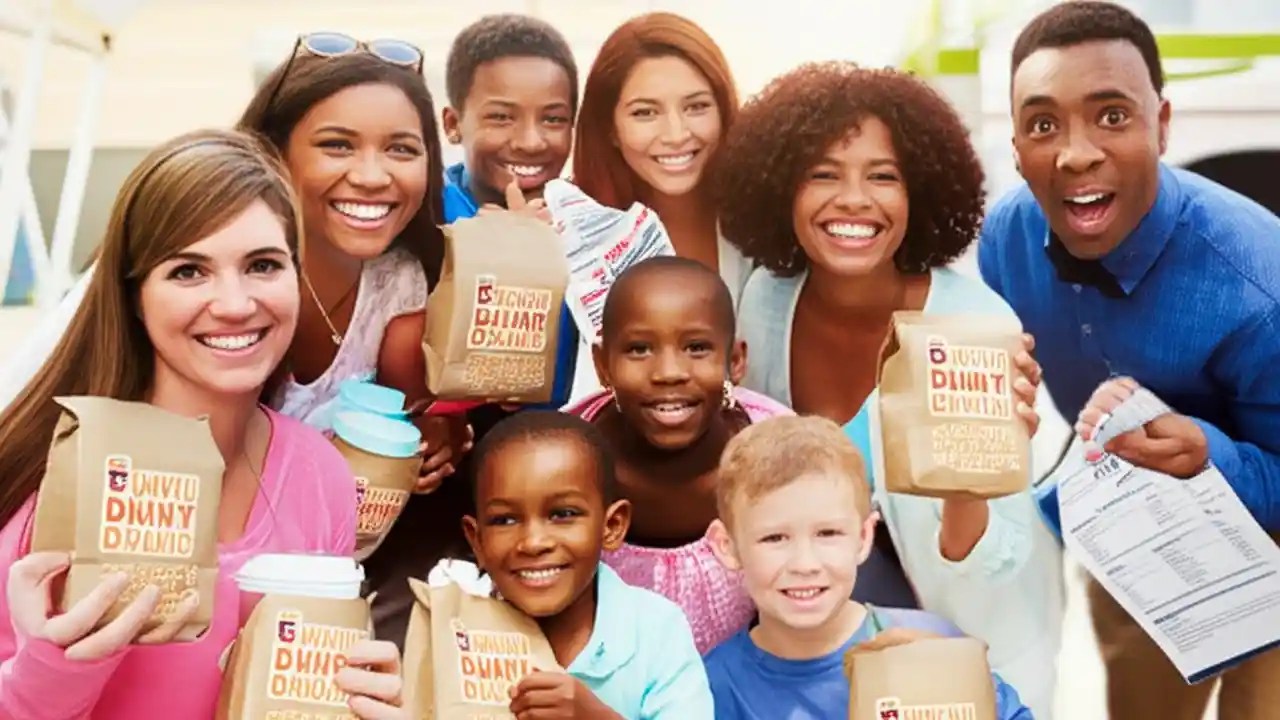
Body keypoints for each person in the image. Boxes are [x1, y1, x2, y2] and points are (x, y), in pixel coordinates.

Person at [0, 130, 405, 719]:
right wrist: (50, 668)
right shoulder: (60, 472)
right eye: (189, 272)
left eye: (263, 265)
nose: (235, 303)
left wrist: (360, 698)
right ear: (134, 295)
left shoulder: (323, 476)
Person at [718, 62, 1062, 718]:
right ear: (781, 188)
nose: (854, 200)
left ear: (920, 193)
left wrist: (971, 479)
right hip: (819, 660)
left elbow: (999, 562)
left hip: (964, 660)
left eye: (883, 176)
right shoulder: (764, 302)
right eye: (824, 173)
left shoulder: (975, 325)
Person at [979, 2, 1280, 717]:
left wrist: (1211, 453)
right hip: (1130, 529)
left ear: (1162, 125)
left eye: (1112, 115)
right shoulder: (1005, 242)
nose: (1076, 152)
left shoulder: (1258, 283)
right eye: (1044, 123)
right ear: (1017, 144)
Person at [238, 35, 474, 645]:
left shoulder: (401, 283)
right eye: (337, 145)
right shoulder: (225, 274)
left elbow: (404, 413)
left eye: (401, 149)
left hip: (336, 575)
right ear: (273, 154)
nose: (371, 176)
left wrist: (431, 439)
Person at [703, 415, 1032, 720]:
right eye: (774, 538)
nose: (805, 564)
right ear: (727, 546)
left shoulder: (927, 644)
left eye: (827, 533)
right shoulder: (708, 688)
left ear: (863, 537)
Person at [564, 256, 791, 653]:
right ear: (603, 365)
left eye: (697, 347)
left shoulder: (778, 453)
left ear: (734, 361)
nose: (669, 371)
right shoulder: (564, 457)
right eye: (638, 349)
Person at [462, 411, 713, 718]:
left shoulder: (655, 631)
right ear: (477, 541)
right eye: (505, 520)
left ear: (612, 526)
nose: (533, 542)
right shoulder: (458, 635)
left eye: (563, 514)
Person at [568, 12, 753, 400]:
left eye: (697, 107)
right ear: (609, 129)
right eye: (644, 113)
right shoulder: (575, 232)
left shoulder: (761, 229)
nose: (676, 135)